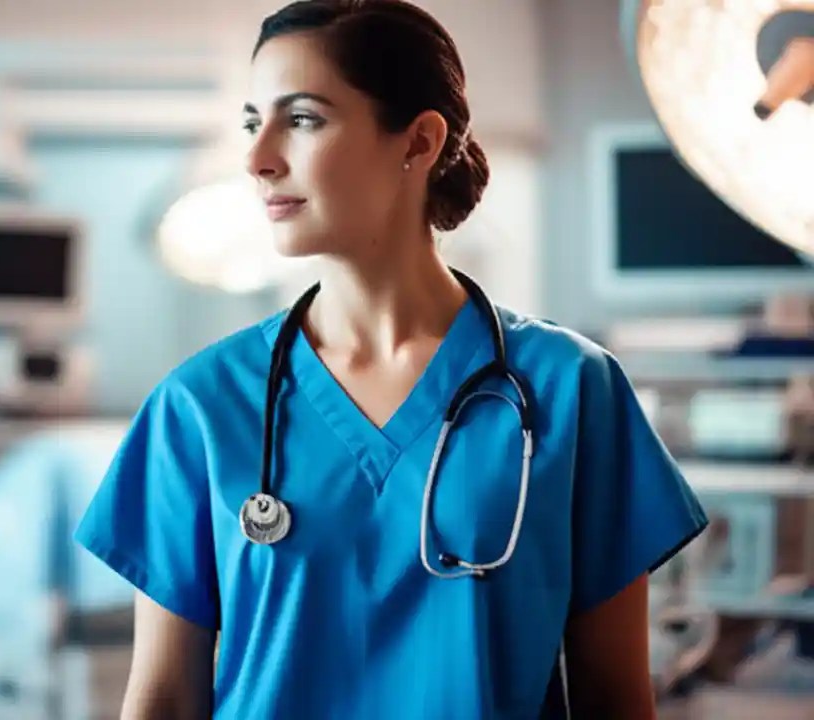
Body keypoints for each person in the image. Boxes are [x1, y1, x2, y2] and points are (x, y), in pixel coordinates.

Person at [73, 1, 709, 717]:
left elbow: (616, 698)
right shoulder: (200, 404)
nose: (257, 159)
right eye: (254, 122)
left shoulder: (571, 390)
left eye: (303, 118)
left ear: (420, 141)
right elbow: (161, 698)